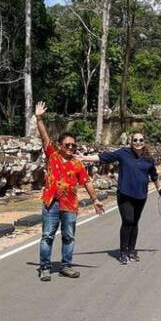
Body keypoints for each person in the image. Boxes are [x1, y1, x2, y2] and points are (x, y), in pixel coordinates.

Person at [35, 101, 104, 282]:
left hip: (70, 205)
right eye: (67, 145)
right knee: (47, 236)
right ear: (60, 145)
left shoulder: (77, 164)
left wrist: (95, 200)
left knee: (69, 236)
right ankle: (45, 267)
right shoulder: (53, 155)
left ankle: (66, 266)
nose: (71, 148)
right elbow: (44, 137)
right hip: (52, 202)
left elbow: (87, 182)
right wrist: (39, 118)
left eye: (73, 145)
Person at [81, 132, 161, 265]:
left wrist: (159, 189)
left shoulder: (148, 159)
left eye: (141, 140)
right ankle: (123, 252)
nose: (138, 142)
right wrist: (84, 158)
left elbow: (154, 175)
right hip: (125, 194)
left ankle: (132, 250)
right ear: (131, 142)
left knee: (135, 222)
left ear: (144, 142)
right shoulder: (123, 153)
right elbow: (104, 157)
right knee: (128, 220)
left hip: (141, 195)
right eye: (135, 140)